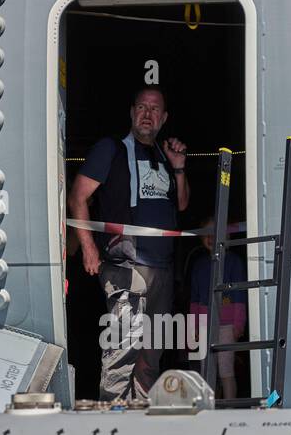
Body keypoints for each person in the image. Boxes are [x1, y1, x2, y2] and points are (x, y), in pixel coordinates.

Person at [68, 87, 189, 400]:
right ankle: (112, 420)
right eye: (142, 107)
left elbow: (183, 204)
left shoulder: (164, 156)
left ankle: (140, 422)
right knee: (123, 348)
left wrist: (178, 167)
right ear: (132, 111)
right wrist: (89, 247)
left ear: (163, 118)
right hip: (126, 266)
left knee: (151, 355)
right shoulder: (112, 149)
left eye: (154, 109)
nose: (147, 114)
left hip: (161, 271)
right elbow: (78, 196)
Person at [188, 232, 246, 400]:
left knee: (226, 371)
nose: (211, 237)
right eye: (206, 233)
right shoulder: (199, 265)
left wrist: (238, 324)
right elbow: (195, 298)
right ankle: (210, 409)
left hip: (227, 326)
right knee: (207, 370)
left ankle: (229, 408)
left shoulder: (234, 262)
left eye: (216, 232)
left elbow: (240, 295)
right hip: (205, 325)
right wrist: (194, 327)